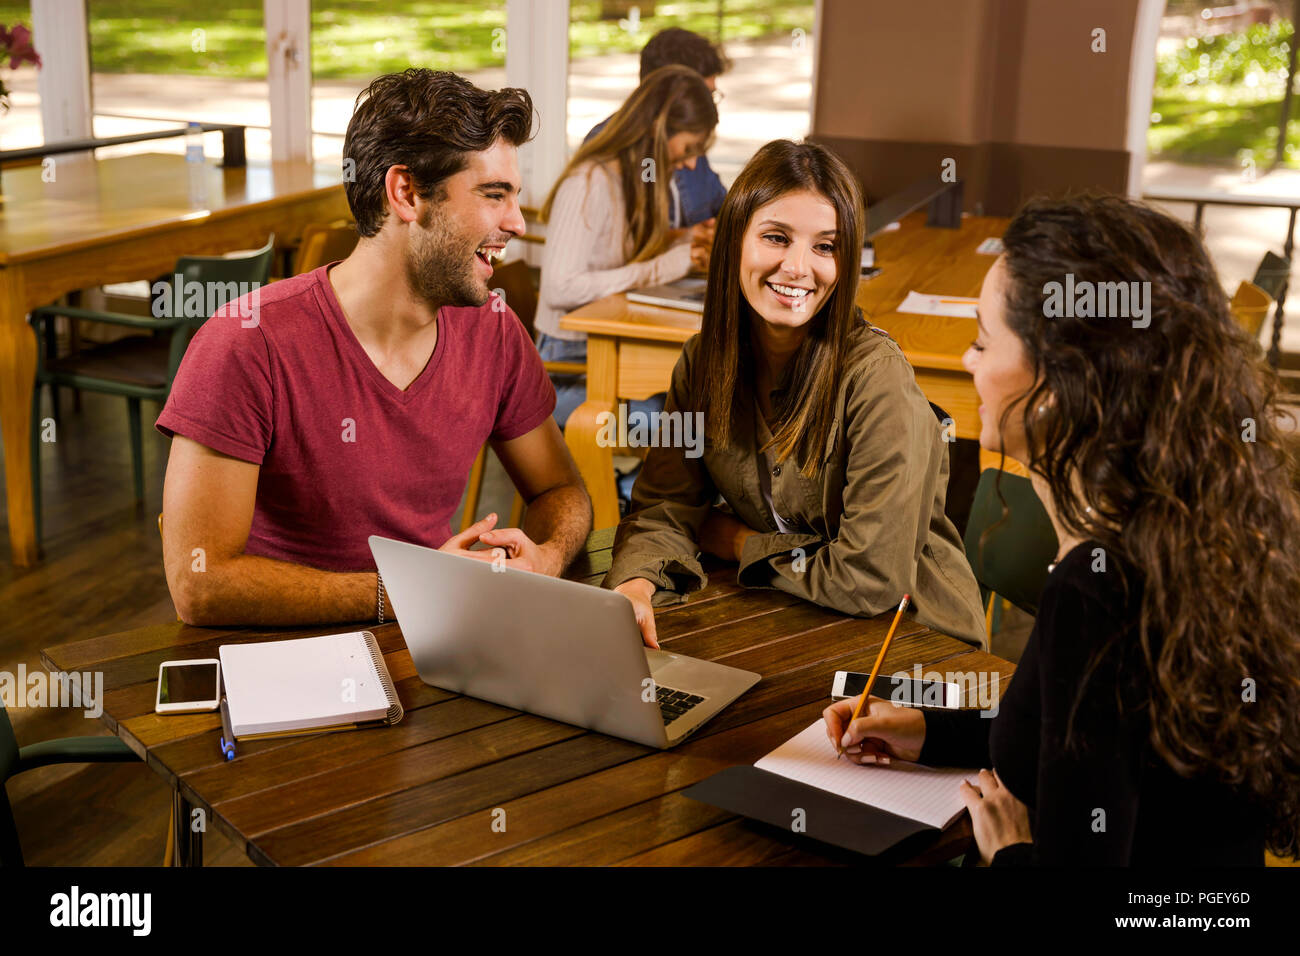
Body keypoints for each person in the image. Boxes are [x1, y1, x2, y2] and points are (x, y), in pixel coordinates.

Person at [825, 194, 1300, 865]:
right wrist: (929, 731)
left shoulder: (1096, 589)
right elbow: (1093, 736)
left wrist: (1008, 854)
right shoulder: (1190, 529)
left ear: (1058, 385)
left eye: (984, 341)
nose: (968, 363)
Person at [156, 69, 592, 626]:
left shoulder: (495, 330)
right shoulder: (245, 343)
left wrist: (547, 557)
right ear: (406, 193)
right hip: (277, 659)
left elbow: (560, 489)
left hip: (435, 638)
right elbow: (201, 585)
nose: (517, 222)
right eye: (493, 195)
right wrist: (412, 590)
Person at [604, 139, 986, 650]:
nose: (799, 268)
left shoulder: (877, 378)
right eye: (777, 238)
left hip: (911, 646)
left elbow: (868, 579)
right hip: (791, 616)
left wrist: (739, 542)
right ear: (735, 240)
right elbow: (664, 508)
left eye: (825, 246)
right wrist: (636, 584)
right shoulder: (703, 361)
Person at [537, 64, 718, 500]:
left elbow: (616, 254)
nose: (693, 162)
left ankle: (636, 502)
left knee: (706, 410)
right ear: (659, 130)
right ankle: (622, 501)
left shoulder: (638, 178)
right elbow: (562, 287)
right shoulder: (591, 182)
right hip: (564, 370)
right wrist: (663, 267)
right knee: (692, 430)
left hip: (594, 353)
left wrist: (683, 240)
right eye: (690, 147)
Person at [585, 26, 730, 229]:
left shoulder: (686, 144)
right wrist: (685, 242)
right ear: (662, 92)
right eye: (703, 96)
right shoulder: (610, 155)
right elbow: (626, 245)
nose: (709, 108)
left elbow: (722, 205)